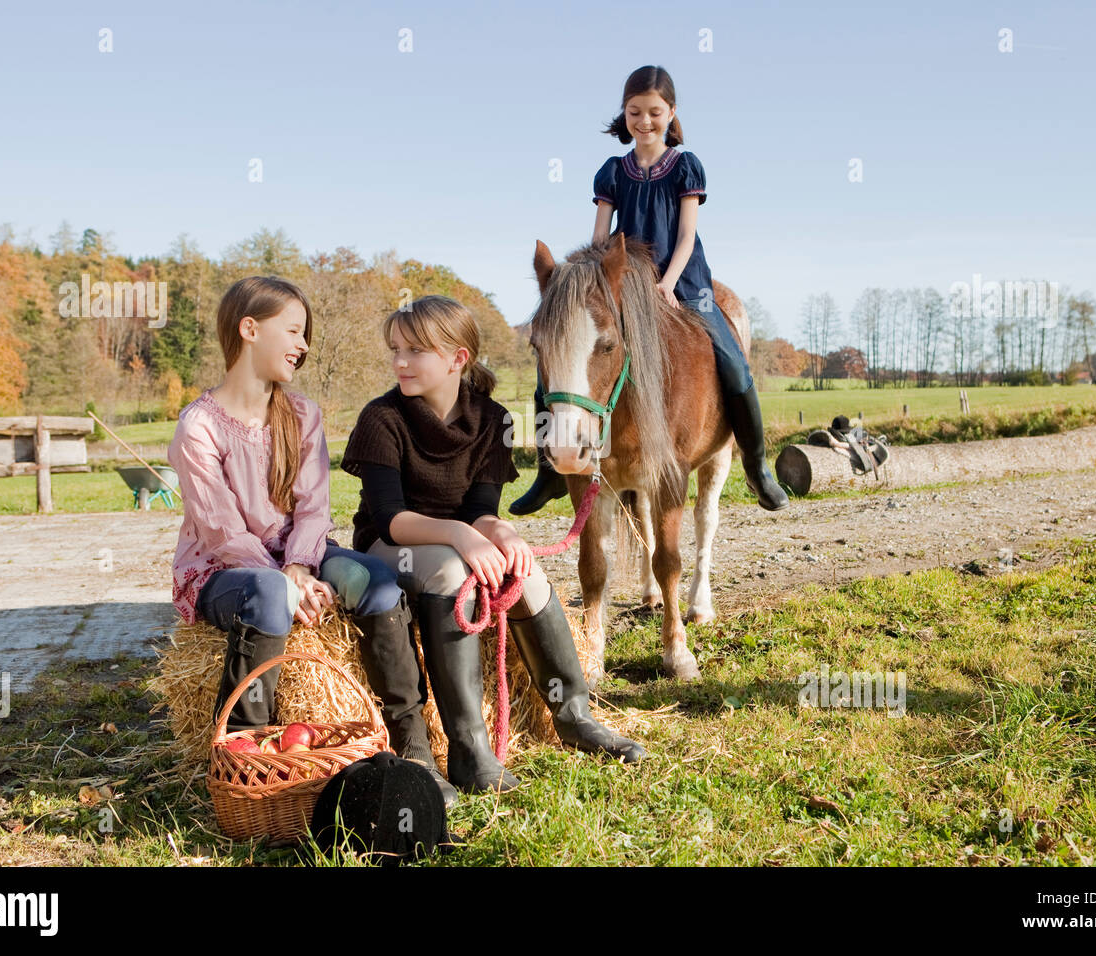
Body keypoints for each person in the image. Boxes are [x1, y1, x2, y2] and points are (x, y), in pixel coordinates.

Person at [340, 295, 646, 797]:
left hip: (457, 539)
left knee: (525, 574)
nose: (399, 361)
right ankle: (469, 751)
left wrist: (500, 532)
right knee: (448, 571)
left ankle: (573, 716)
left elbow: (481, 508)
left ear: (458, 358)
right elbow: (391, 520)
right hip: (391, 545)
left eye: (415, 351)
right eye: (395, 349)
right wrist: (461, 534)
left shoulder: (493, 420)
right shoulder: (382, 418)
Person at [167, 276, 457, 804]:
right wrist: (285, 580)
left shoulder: (303, 415)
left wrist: (301, 567)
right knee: (270, 593)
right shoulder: (198, 427)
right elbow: (221, 530)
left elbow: (313, 507)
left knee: (378, 582)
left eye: (306, 334)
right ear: (249, 329)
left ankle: (412, 746)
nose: (303, 345)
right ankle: (245, 764)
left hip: (299, 557)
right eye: (293, 331)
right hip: (224, 571)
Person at [510, 64, 790, 515]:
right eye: (634, 111)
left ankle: (757, 467)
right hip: (624, 284)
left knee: (735, 365)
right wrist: (585, 285)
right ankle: (550, 473)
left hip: (685, 281)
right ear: (623, 114)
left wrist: (668, 283)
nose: (644, 121)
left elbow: (685, 236)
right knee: (559, 364)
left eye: (654, 112)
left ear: (671, 112)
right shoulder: (611, 172)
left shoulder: (685, 166)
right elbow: (600, 241)